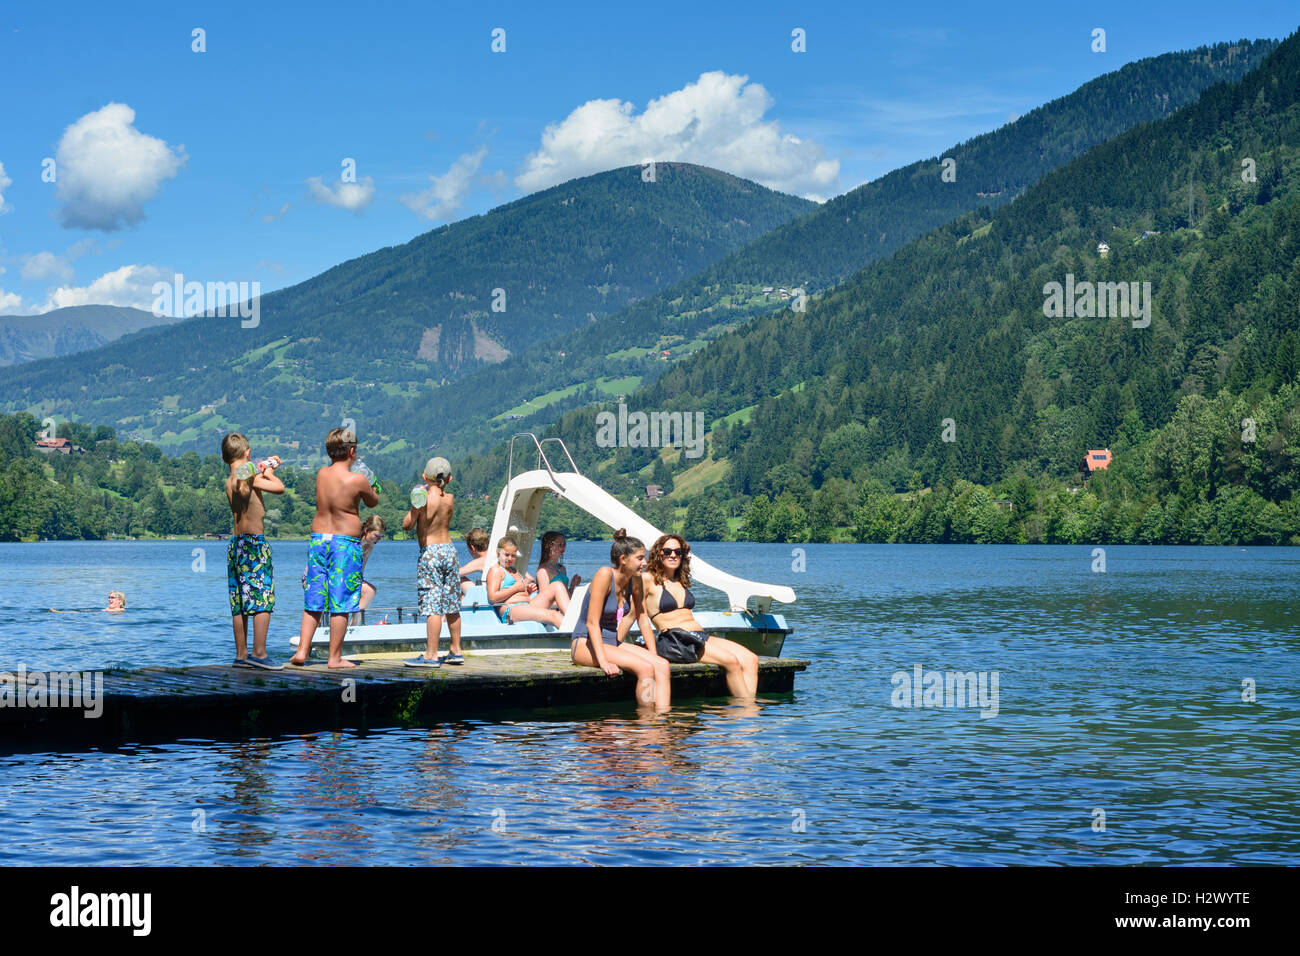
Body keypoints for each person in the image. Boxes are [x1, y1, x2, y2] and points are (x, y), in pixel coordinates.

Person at [287, 428, 378, 669]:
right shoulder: (356, 479)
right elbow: (373, 501)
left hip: (318, 540)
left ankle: (302, 650)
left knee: (314, 598)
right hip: (343, 544)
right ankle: (334, 657)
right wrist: (373, 486)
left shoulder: (321, 474)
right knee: (342, 601)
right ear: (352, 451)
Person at [639, 534, 759, 698]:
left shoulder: (680, 579)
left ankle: (749, 709)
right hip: (678, 640)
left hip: (699, 635)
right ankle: (746, 708)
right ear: (658, 554)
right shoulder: (647, 579)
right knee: (731, 661)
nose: (673, 555)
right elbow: (635, 614)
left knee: (751, 659)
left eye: (677, 552)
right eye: (667, 551)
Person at [571, 529, 669, 711]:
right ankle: (647, 722)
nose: (645, 562)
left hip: (612, 643)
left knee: (661, 665)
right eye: (640, 558)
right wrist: (603, 662)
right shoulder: (604, 574)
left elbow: (642, 619)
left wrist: (653, 653)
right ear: (623, 559)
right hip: (585, 643)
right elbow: (592, 623)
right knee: (645, 668)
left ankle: (663, 718)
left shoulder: (636, 580)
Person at [222, 433, 285, 670]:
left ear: (223, 457)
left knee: (239, 601)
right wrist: (268, 471)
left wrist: (263, 468)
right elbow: (279, 488)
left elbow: (245, 478)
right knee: (263, 596)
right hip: (254, 544)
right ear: (247, 452)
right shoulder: (247, 474)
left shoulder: (232, 479)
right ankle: (259, 653)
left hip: (236, 544)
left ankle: (242, 654)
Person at [403, 457, 462, 667]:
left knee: (432, 605)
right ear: (450, 478)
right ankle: (456, 650)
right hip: (450, 550)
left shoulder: (423, 498)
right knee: (451, 603)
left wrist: (415, 504)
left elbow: (407, 525)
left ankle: (431, 655)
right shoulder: (450, 498)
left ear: (424, 476)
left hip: (431, 552)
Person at [485, 535, 567, 627]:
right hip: (511, 610)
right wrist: (515, 588)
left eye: (513, 556)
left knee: (557, 585)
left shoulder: (514, 570)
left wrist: (528, 591)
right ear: (498, 553)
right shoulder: (496, 570)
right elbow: (492, 598)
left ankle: (573, 620)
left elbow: (517, 592)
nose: (509, 559)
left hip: (526, 605)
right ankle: (577, 637)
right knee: (554, 615)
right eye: (506, 555)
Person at [353, 514, 385, 624]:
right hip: (329, 574)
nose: (378, 539)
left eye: (381, 536)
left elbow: (362, 568)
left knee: (369, 592)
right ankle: (352, 628)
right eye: (376, 535)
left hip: (351, 577)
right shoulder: (354, 540)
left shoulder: (370, 545)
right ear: (366, 530)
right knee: (369, 591)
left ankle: (354, 626)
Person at [535, 531, 581, 600]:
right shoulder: (543, 570)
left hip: (564, 607)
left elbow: (568, 597)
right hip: (554, 609)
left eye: (564, 545)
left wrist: (572, 585)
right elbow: (543, 600)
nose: (563, 548)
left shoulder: (562, 569)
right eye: (560, 545)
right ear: (548, 546)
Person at [459, 527, 489, 596]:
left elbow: (455, 573)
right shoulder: (495, 554)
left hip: (487, 599)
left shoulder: (481, 561)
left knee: (459, 578)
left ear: (473, 548)